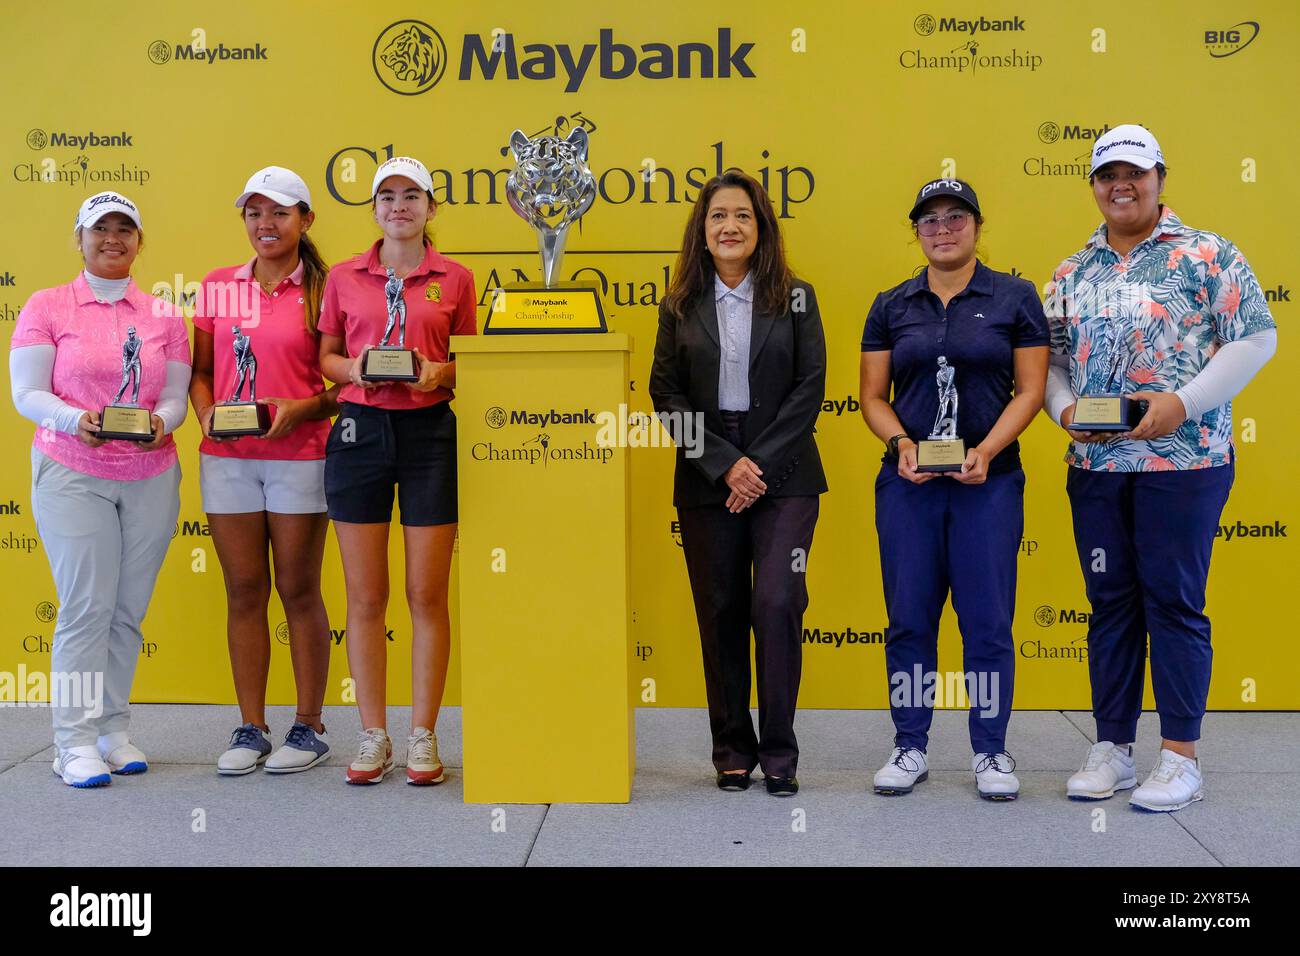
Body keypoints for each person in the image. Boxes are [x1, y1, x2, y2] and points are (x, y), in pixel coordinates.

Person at [1043, 125, 1277, 811]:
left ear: (1159, 178)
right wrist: (1061, 412)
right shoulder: (1070, 271)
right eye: (1108, 173)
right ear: (1093, 184)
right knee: (1109, 603)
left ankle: (1180, 757)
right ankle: (1112, 747)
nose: (1123, 184)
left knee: (1173, 602)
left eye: (1135, 172)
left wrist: (1185, 401)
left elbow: (1256, 338)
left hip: (1185, 461)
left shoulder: (1209, 255)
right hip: (1096, 464)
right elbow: (1053, 363)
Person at [859, 179, 1048, 801]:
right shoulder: (891, 303)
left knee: (988, 621)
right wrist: (900, 445)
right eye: (930, 219)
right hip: (909, 485)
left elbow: (1029, 390)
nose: (943, 228)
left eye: (955, 217)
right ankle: (910, 744)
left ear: (977, 224)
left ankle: (991, 750)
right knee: (910, 619)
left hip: (987, 484)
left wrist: (988, 450)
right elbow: (872, 397)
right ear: (916, 230)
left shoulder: (1016, 297)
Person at [649, 169, 827, 797]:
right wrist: (725, 462)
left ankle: (780, 749)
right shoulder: (678, 306)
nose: (730, 226)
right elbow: (665, 393)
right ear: (702, 229)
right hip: (708, 473)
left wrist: (757, 466)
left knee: (776, 603)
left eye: (743, 216)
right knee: (720, 609)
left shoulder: (797, 297)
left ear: (762, 228)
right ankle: (731, 747)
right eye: (719, 215)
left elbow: (810, 391)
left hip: (786, 473)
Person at [9, 192, 191, 787]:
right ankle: (74, 741)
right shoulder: (46, 305)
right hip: (72, 471)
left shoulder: (165, 315)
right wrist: (73, 420)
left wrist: (162, 422)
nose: (112, 238)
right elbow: (28, 393)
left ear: (140, 240)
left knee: (126, 613)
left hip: (150, 474)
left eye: (125, 229)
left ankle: (113, 730)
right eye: (100, 229)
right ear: (80, 238)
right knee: (87, 609)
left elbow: (173, 398)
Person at [318, 156, 477, 785]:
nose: (399, 206)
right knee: (365, 594)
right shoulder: (343, 276)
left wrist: (441, 372)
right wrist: (354, 370)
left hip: (429, 433)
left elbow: (470, 361)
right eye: (387, 196)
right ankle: (373, 734)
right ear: (375, 209)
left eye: (412, 195)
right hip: (358, 433)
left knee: (424, 593)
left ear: (431, 208)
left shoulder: (457, 278)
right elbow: (326, 357)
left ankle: (422, 735)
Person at [189, 166, 341, 775]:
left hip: (301, 455)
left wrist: (303, 408)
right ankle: (251, 727)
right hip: (228, 461)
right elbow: (202, 372)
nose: (265, 224)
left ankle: (308, 726)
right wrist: (204, 415)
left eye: (278, 212)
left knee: (298, 590)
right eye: (253, 212)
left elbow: (349, 380)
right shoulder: (219, 286)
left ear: (305, 220)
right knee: (244, 591)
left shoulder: (329, 289)